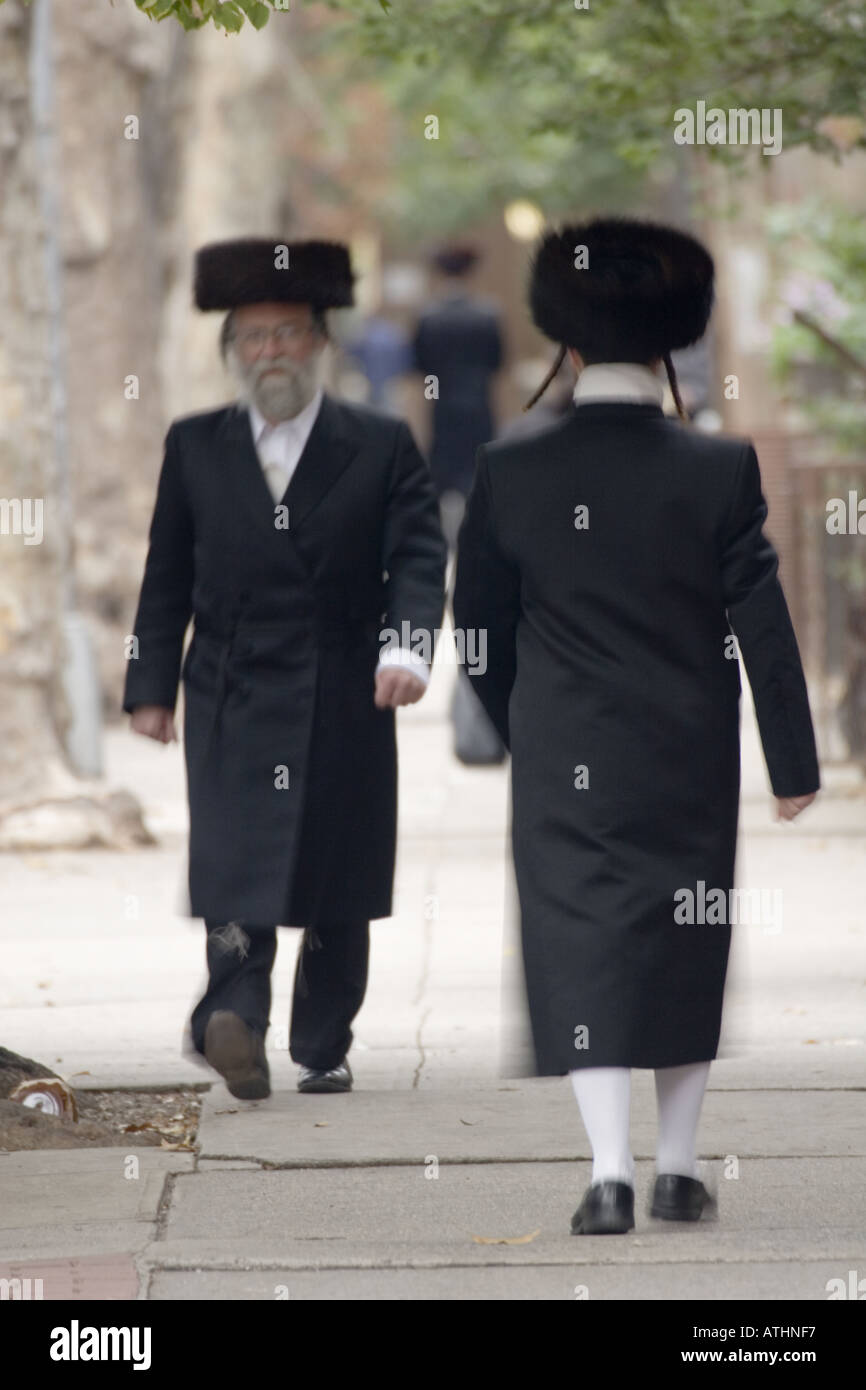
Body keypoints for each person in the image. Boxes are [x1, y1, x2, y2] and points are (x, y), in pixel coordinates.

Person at [453, 216, 820, 1234]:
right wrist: (791, 763)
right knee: (680, 944)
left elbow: (476, 626)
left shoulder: (505, 470)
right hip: (686, 746)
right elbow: (761, 622)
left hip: (563, 747)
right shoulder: (718, 470)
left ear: (564, 344)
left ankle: (604, 1173)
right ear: (668, 345)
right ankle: (677, 1166)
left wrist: (522, 724)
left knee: (578, 945)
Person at [123, 238, 446, 1100]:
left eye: (290, 334)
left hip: (347, 682)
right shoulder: (195, 446)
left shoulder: (378, 444)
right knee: (236, 862)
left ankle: (324, 1039)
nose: (272, 352)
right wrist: (151, 686)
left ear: (321, 344)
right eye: (255, 337)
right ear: (232, 351)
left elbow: (417, 559)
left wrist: (407, 648)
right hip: (229, 681)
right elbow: (166, 573)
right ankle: (235, 1022)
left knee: (339, 869)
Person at [413, 242, 507, 764]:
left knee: (446, 492)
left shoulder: (428, 317)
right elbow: (497, 366)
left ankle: (452, 546)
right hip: (479, 414)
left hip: (442, 414)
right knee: (476, 496)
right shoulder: (487, 315)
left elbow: (419, 373)